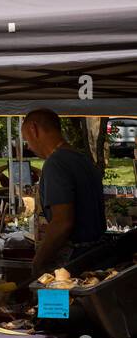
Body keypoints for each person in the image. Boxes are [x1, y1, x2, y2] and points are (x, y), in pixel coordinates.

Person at [22, 108, 105, 272]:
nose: (29, 146)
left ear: (34, 129)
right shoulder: (82, 159)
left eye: (26, 140)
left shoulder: (56, 163)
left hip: (72, 263)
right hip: (95, 256)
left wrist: (38, 261)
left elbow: (63, 222)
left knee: (57, 297)